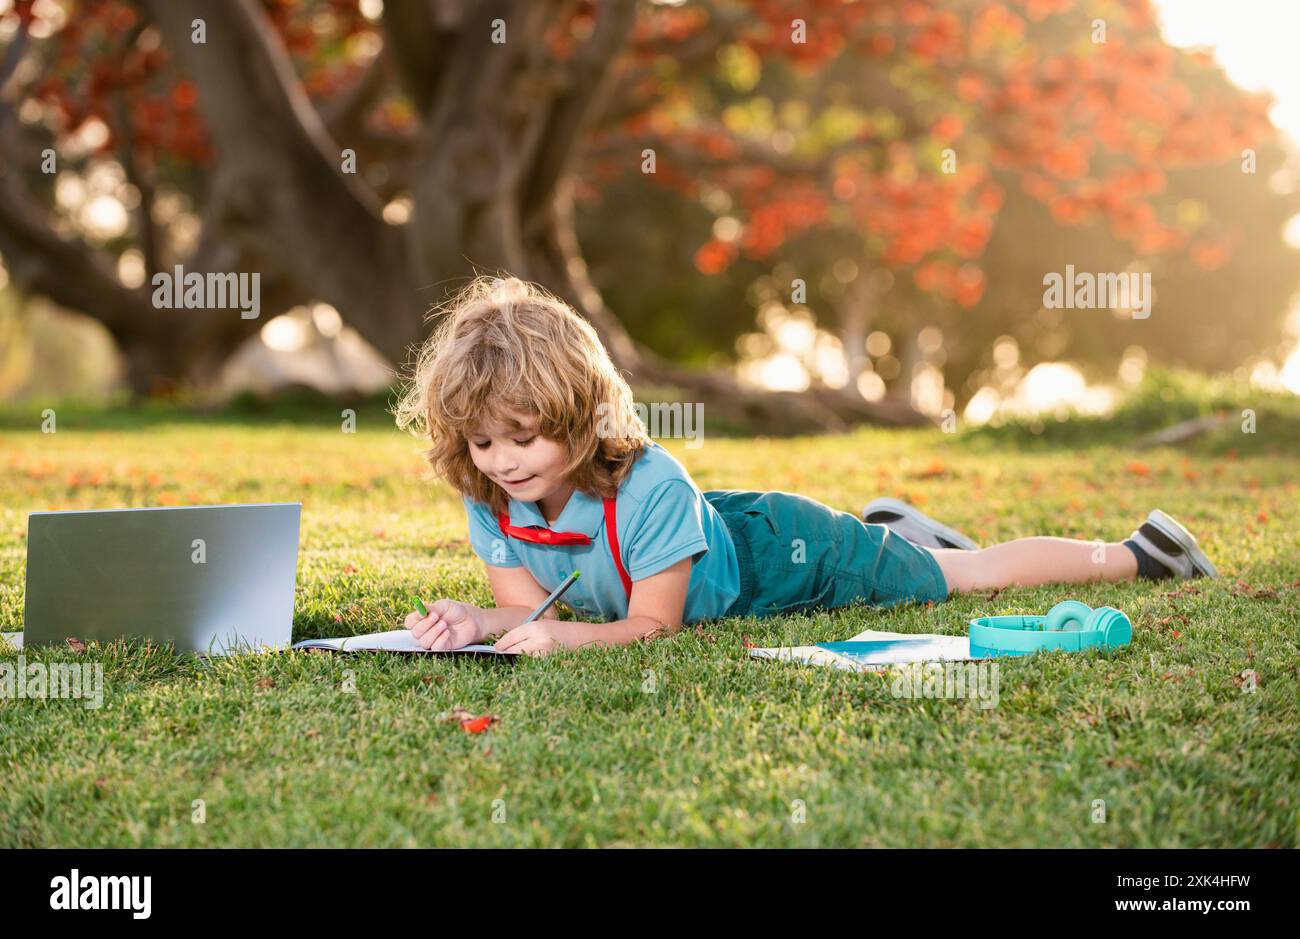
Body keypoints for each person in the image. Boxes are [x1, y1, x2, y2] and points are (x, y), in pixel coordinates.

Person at [391, 276, 1218, 656]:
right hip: (719, 541)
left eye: (524, 436)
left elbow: (652, 628)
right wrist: (477, 621)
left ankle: (1143, 553)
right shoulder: (491, 493)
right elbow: (535, 611)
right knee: (926, 557)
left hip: (789, 556)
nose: (502, 461)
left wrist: (560, 641)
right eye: (482, 441)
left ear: (580, 414)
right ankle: (897, 530)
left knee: (967, 576)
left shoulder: (647, 485)